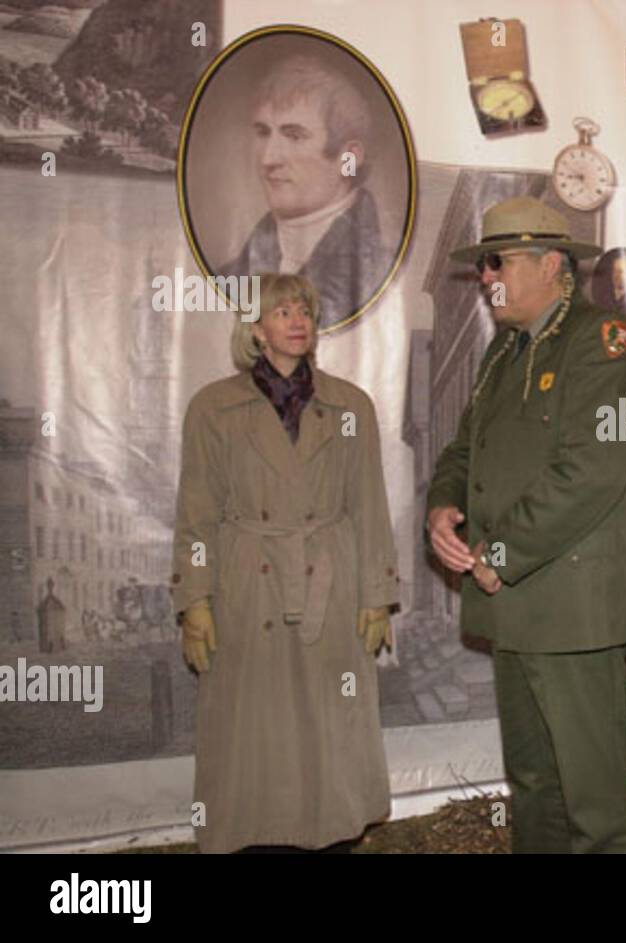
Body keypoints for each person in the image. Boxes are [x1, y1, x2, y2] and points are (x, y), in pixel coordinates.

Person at [426, 197, 626, 853]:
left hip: (573, 610)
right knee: (534, 786)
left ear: (552, 263)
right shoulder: (504, 351)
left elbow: (591, 469)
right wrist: (443, 505)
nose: (485, 275)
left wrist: (501, 549)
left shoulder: (605, 342)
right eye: (483, 263)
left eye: (497, 260)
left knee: (595, 802)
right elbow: (463, 451)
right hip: (513, 604)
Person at [172, 272, 399, 853]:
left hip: (330, 580)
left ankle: (333, 834)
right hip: (249, 584)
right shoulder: (213, 408)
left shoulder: (351, 405)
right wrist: (194, 600)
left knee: (330, 716)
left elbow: (369, 503)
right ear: (256, 329)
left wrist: (377, 592)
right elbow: (196, 512)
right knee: (253, 726)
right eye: (282, 312)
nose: (297, 321)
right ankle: (260, 838)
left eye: (304, 310)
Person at [220, 55, 390, 329]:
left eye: (294, 136)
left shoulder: (384, 279)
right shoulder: (227, 280)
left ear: (349, 158)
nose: (268, 159)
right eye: (263, 133)